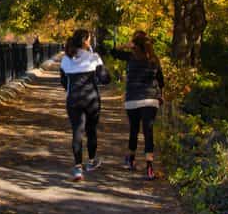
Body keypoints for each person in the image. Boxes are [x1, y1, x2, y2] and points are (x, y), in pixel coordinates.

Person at [59, 28, 111, 182]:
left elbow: (63, 82)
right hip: (91, 99)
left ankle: (77, 168)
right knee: (91, 130)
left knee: (77, 131)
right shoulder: (93, 57)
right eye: (89, 38)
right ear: (86, 41)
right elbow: (105, 79)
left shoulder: (66, 59)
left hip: (74, 99)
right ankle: (91, 161)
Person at [123, 30, 164, 180]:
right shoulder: (154, 60)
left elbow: (111, 51)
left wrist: (125, 46)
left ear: (134, 45)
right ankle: (149, 167)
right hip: (150, 99)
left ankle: (131, 159)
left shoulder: (130, 58)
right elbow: (161, 81)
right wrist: (161, 96)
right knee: (148, 131)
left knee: (134, 129)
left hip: (132, 99)